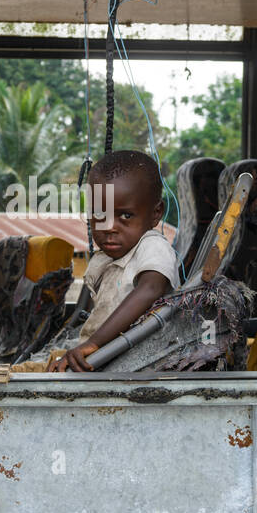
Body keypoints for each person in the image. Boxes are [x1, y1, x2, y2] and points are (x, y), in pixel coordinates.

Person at [47, 150, 181, 372]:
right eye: (100, 215)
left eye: (126, 216)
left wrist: (94, 343)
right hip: (99, 360)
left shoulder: (152, 246)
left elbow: (151, 288)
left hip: (130, 366)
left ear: (156, 213)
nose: (109, 227)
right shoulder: (106, 259)